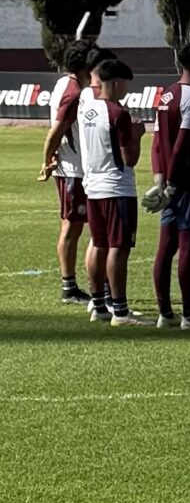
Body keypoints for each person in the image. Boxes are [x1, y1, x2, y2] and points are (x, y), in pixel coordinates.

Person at [66, 59, 147, 326]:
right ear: (117, 83)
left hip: (93, 187)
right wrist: (138, 134)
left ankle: (99, 304)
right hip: (117, 187)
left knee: (100, 244)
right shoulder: (118, 114)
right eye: (126, 86)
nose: (127, 91)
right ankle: (121, 311)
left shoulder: (86, 109)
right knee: (119, 248)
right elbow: (129, 159)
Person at [148, 42, 190, 329]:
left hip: (171, 181)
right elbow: (181, 146)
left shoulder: (167, 94)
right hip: (188, 182)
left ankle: (165, 313)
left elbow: (157, 142)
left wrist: (159, 180)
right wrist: (172, 184)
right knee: (187, 245)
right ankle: (189, 315)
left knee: (166, 246)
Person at [41, 41, 94, 305]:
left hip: (74, 168)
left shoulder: (66, 83)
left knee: (74, 226)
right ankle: (69, 287)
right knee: (72, 227)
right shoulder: (73, 93)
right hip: (74, 170)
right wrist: (46, 161)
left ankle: (76, 285)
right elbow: (56, 131)